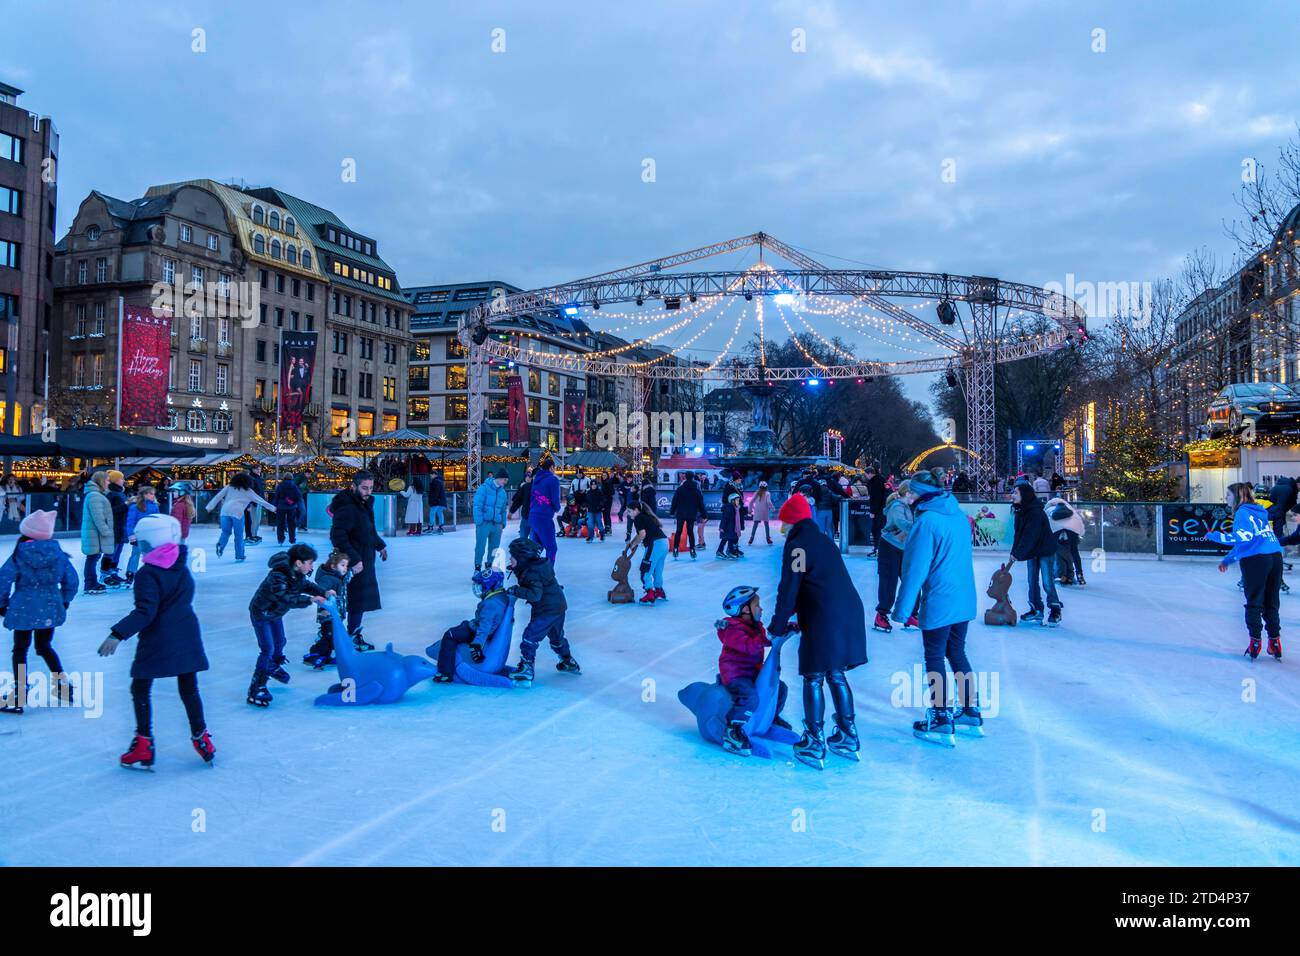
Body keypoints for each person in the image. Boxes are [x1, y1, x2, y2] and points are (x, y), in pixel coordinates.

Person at [98, 514, 215, 769]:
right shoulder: (181, 566)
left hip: (158, 637)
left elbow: (145, 612)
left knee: (140, 687)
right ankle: (202, 738)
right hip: (186, 633)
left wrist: (117, 634)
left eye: (143, 542)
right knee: (189, 688)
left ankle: (143, 744)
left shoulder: (147, 573)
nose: (140, 547)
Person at [768, 493, 867, 769]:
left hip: (825, 617)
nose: (782, 527)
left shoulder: (798, 546)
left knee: (814, 676)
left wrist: (777, 625)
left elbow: (790, 587)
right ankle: (848, 735)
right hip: (847, 613)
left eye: (784, 522)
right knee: (835, 673)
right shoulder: (823, 540)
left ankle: (814, 740)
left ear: (792, 521)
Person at [892, 469, 981, 746]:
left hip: (941, 599)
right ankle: (970, 710)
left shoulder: (927, 521)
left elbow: (915, 570)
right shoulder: (958, 516)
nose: (907, 498)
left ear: (920, 494)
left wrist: (902, 610)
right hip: (964, 595)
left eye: (910, 493)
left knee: (934, 656)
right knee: (956, 652)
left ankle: (941, 716)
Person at [0, 510, 79, 714]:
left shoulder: (19, 553)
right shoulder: (58, 554)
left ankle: (19, 695)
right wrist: (65, 600)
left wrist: (2, 604)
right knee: (44, 646)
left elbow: (3, 580)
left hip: (23, 608)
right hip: (49, 608)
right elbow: (72, 580)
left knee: (20, 649)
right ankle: (63, 686)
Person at [246, 543, 331, 707]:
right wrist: (310, 600)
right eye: (310, 563)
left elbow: (306, 585)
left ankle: (272, 666)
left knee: (280, 642)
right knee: (268, 649)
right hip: (262, 613)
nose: (311, 567)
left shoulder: (296, 573)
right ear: (298, 563)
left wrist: (323, 592)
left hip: (275, 613)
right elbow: (286, 598)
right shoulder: (278, 575)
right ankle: (257, 688)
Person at [1210, 482, 1283, 661]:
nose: (1226, 498)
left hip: (1257, 560)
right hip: (1275, 556)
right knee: (1271, 601)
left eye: (1228, 495)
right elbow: (1247, 541)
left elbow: (1243, 537)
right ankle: (1275, 642)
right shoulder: (1259, 511)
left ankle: (1255, 643)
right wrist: (1228, 559)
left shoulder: (1242, 512)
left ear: (1237, 496)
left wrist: (1215, 535)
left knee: (1254, 601)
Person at [716, 584, 790, 757]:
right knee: (750, 697)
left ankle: (770, 718)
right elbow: (748, 646)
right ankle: (733, 730)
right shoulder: (731, 628)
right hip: (736, 674)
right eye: (757, 605)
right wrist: (767, 637)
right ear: (744, 610)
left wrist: (786, 629)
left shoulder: (756, 625)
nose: (761, 609)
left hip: (753, 672)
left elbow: (766, 639)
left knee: (780, 689)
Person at [504, 536, 579, 683]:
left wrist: (516, 591)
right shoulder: (536, 567)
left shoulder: (531, 572)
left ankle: (526, 669)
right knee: (556, 638)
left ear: (522, 559)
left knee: (530, 636)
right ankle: (567, 661)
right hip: (558, 606)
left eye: (512, 556)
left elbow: (535, 594)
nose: (510, 559)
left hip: (546, 610)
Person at [328, 470, 387, 646]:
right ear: (353, 486)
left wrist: (380, 545)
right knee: (353, 601)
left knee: (358, 601)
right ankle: (342, 637)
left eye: (371, 488)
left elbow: (368, 530)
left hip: (364, 559)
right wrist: (354, 559)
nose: (368, 492)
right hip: (349, 564)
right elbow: (337, 537)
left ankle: (352, 635)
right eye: (364, 488)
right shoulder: (347, 507)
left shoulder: (364, 504)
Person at [432, 568, 510, 682]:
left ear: (489, 585)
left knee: (450, 635)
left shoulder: (490, 604)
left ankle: (445, 673)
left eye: (481, 585)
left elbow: (484, 627)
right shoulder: (501, 596)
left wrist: (477, 645)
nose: (478, 588)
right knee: (464, 624)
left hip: (478, 631)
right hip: (478, 627)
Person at [1009, 481, 1062, 626]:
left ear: (1024, 495)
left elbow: (1030, 536)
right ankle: (1036, 609)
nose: (1012, 495)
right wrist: (1014, 552)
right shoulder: (1020, 511)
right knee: (1032, 580)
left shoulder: (1035, 512)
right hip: (1032, 550)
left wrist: (1018, 553)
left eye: (1016, 493)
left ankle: (1055, 609)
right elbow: (1018, 535)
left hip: (1045, 549)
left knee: (1047, 581)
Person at [874, 480, 920, 633]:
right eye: (915, 493)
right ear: (908, 493)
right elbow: (902, 524)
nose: (917, 496)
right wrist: (921, 527)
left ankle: (911, 614)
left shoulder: (908, 507)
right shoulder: (896, 507)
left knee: (912, 580)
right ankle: (881, 615)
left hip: (904, 548)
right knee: (889, 583)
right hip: (889, 547)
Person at [205, 473, 276, 562]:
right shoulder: (248, 491)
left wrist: (209, 507)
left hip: (225, 512)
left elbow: (217, 497)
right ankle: (240, 555)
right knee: (238, 535)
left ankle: (221, 545)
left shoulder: (229, 487)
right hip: (237, 513)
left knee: (225, 532)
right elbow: (261, 501)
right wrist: (273, 508)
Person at [303, 550, 352, 668]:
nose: (345, 568)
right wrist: (324, 607)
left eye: (346, 566)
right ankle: (314, 654)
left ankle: (325, 656)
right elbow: (321, 591)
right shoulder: (328, 579)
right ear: (333, 566)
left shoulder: (338, 578)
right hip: (327, 614)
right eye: (342, 565)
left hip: (335, 614)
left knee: (332, 636)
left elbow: (348, 577)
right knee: (329, 636)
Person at [625, 499, 668, 604]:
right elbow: (640, 534)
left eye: (629, 511)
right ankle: (658, 590)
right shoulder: (646, 516)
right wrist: (632, 543)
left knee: (645, 570)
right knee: (656, 569)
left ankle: (650, 593)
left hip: (655, 544)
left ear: (636, 510)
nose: (628, 514)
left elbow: (642, 534)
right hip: (664, 543)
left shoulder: (638, 518)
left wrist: (634, 544)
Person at [79, 471, 113, 595]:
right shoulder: (94, 496)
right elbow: (98, 517)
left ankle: (91, 582)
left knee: (94, 557)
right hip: (94, 533)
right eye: (107, 480)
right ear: (101, 481)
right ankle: (90, 584)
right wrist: (106, 531)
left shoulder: (95, 494)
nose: (109, 483)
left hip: (94, 532)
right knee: (92, 557)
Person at [473, 468, 511, 569]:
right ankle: (477, 567)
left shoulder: (502, 492)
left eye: (507, 480)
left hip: (497, 524)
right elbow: (477, 506)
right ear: (499, 478)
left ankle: (489, 566)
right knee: (480, 546)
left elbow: (503, 509)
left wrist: (502, 523)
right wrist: (479, 521)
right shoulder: (484, 488)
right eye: (505, 480)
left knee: (494, 548)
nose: (506, 482)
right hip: (484, 523)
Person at [527, 455, 561, 563]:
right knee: (551, 548)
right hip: (544, 517)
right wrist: (557, 508)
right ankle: (548, 571)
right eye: (555, 468)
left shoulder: (536, 479)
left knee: (537, 548)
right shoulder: (553, 480)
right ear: (551, 467)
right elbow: (555, 499)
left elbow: (532, 496)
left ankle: (528, 567)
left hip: (533, 516)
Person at [1046, 495, 1086, 586]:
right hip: (1072, 529)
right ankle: (1080, 575)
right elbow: (1079, 522)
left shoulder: (1049, 509)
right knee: (1074, 552)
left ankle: (1051, 575)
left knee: (1052, 551)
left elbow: (1044, 522)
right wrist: (1080, 533)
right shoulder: (1070, 509)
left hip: (1055, 529)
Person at [123, 485, 159, 582]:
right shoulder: (135, 507)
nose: (153, 496)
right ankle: (130, 573)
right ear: (144, 495)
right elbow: (130, 522)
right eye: (150, 494)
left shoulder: (155, 506)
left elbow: (157, 521)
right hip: (138, 535)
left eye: (153, 494)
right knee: (136, 554)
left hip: (150, 536)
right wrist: (131, 535)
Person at [102, 470, 129, 587]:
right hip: (114, 527)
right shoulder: (112, 494)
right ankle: (105, 574)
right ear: (116, 480)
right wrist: (126, 505)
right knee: (110, 552)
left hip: (121, 526)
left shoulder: (120, 493)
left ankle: (112, 572)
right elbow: (109, 511)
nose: (123, 480)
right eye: (121, 478)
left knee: (117, 552)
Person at [670, 471, 705, 559]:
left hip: (681, 513)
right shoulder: (696, 490)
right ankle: (692, 549)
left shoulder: (680, 489)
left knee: (678, 531)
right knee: (690, 532)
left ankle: (675, 548)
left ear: (685, 477)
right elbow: (701, 504)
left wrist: (672, 511)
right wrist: (704, 514)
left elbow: (674, 501)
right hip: (691, 514)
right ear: (693, 478)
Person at [272, 475, 303, 545]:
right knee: (292, 524)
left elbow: (276, 497)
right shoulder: (294, 486)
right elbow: (299, 496)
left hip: (281, 507)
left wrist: (274, 506)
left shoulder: (280, 486)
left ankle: (280, 539)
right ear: (292, 478)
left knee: (280, 524)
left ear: (284, 478)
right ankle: (292, 539)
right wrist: (294, 502)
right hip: (291, 507)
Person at [866, 466, 887, 556]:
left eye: (866, 474)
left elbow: (875, 498)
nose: (866, 477)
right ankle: (879, 548)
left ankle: (877, 549)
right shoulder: (881, 480)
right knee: (879, 529)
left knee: (876, 529)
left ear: (870, 473)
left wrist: (872, 511)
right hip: (883, 509)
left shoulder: (875, 483)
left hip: (878, 511)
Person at [716, 491, 744, 559]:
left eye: (738, 500)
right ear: (732, 501)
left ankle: (730, 551)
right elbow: (724, 518)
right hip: (727, 527)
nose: (738, 502)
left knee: (731, 539)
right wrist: (722, 527)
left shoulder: (736, 508)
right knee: (725, 539)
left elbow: (739, 518)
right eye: (737, 500)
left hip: (732, 527)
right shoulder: (729, 508)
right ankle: (720, 551)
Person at [508, 467, 533, 540]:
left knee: (530, 539)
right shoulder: (524, 485)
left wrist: (511, 511)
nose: (528, 478)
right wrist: (512, 510)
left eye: (530, 477)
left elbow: (518, 499)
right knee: (525, 538)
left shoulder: (528, 486)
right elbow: (519, 497)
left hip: (532, 516)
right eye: (527, 476)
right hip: (527, 516)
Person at [244, 464, 267, 543]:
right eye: (257, 469)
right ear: (253, 469)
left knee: (257, 520)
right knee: (253, 519)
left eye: (259, 469)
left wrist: (263, 499)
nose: (259, 471)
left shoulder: (259, 478)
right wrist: (250, 502)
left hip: (259, 501)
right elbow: (249, 491)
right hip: (253, 502)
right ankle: (251, 535)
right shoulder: (251, 478)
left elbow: (260, 490)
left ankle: (254, 534)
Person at [747, 481, 774, 546]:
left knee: (755, 525)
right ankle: (768, 539)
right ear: (766, 487)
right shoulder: (767, 493)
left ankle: (751, 539)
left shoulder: (756, 492)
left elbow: (751, 502)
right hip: (765, 511)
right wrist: (772, 508)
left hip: (757, 511)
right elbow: (769, 502)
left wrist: (749, 510)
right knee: (766, 525)